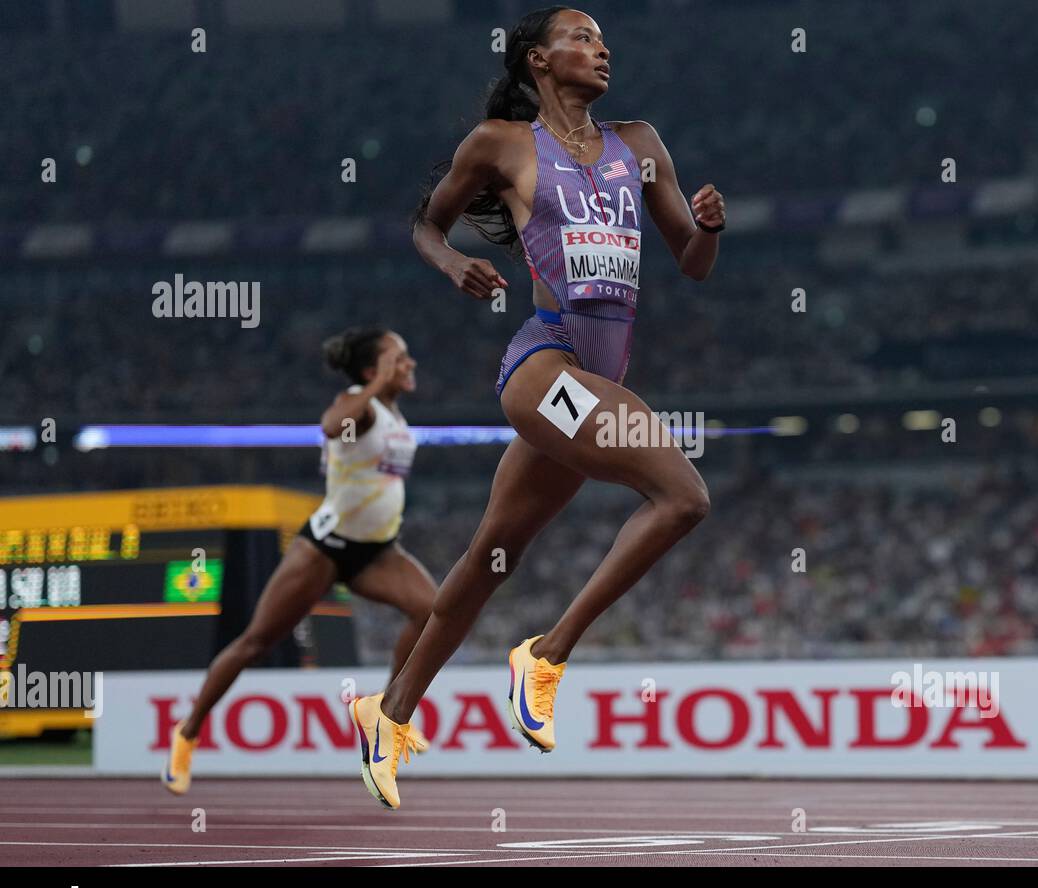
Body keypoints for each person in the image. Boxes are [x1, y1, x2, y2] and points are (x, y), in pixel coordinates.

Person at [350, 6, 724, 809]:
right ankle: (546, 656)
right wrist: (453, 265)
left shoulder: (641, 145)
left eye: (603, 39)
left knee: (492, 556)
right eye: (583, 37)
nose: (601, 49)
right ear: (537, 60)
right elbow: (425, 224)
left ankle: (387, 711)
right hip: (543, 364)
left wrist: (711, 230)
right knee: (684, 496)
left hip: (596, 376)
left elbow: (690, 262)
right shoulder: (502, 145)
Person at [164, 328, 438, 794]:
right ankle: (187, 732)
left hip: (377, 551)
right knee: (255, 642)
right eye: (399, 358)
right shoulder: (361, 405)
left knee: (433, 611)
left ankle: (386, 712)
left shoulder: (390, 411)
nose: (410, 364)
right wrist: (371, 389)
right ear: (372, 371)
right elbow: (332, 425)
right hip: (325, 548)